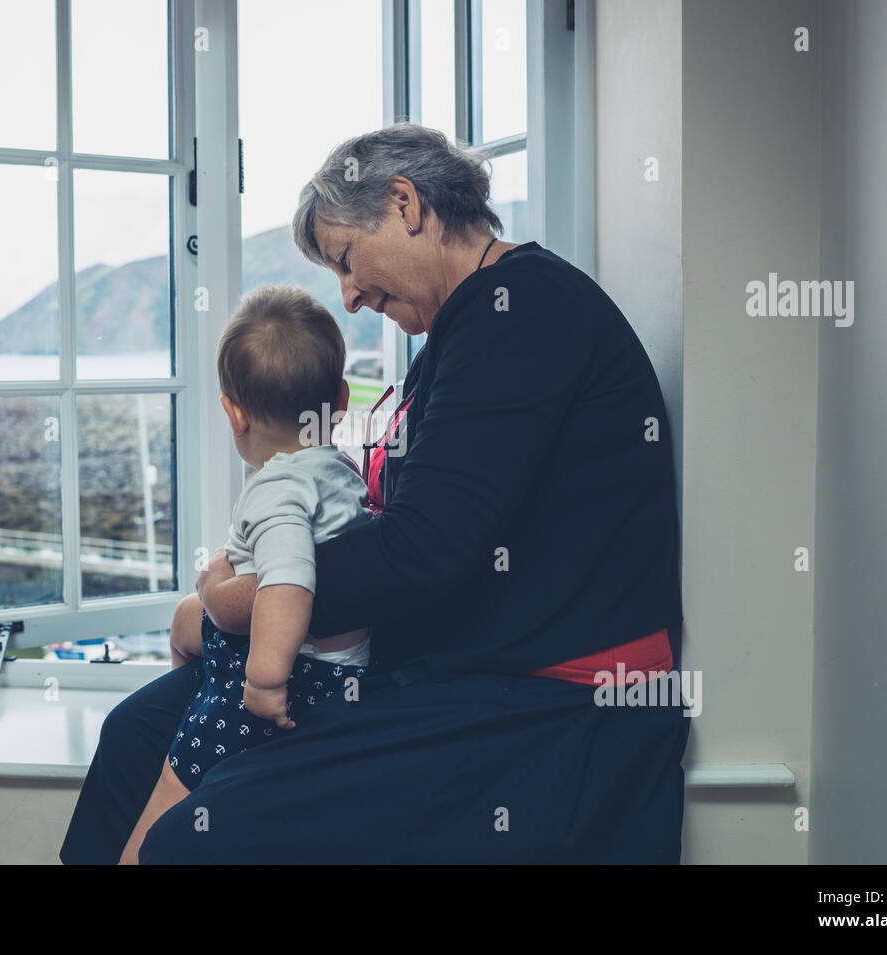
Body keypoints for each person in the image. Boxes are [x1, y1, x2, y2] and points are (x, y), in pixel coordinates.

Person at [60, 123, 689, 864]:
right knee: (137, 729)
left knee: (191, 843)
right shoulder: (458, 337)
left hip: (550, 697)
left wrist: (245, 602)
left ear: (405, 203)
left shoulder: (520, 311)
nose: (350, 296)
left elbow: (424, 549)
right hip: (454, 665)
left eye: (347, 259)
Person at [118, 285, 374, 864]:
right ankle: (196, 683)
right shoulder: (340, 472)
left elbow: (287, 585)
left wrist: (261, 681)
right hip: (337, 671)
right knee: (187, 623)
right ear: (339, 399)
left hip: (295, 677)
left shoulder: (279, 488)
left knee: (166, 792)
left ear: (233, 413)